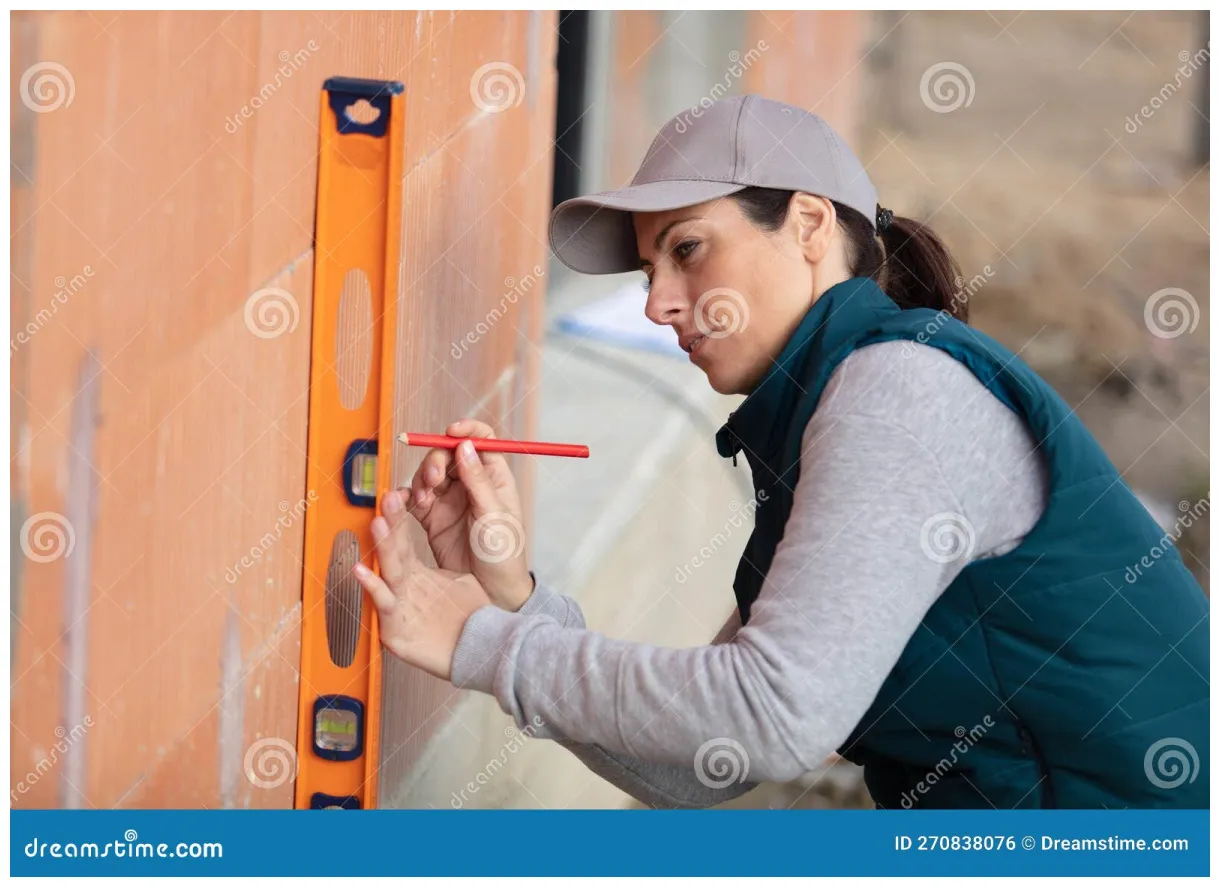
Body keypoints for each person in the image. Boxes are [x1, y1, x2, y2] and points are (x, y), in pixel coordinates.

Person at [352, 95, 1209, 809]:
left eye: (686, 250)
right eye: (648, 273)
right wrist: (511, 600)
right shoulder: (826, 412)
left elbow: (774, 712)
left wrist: (478, 641)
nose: (658, 305)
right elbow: (698, 765)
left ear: (807, 224)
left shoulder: (898, 397)